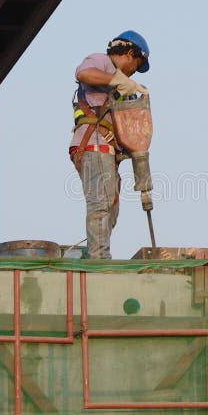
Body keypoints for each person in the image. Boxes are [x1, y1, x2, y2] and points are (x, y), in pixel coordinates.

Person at [69, 30, 150, 259]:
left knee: (111, 209)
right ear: (130, 53)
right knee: (101, 204)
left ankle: (97, 255)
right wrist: (117, 79)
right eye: (137, 63)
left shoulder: (121, 87)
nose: (134, 70)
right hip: (93, 145)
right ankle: (99, 262)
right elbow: (83, 73)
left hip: (107, 150)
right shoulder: (101, 61)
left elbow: (132, 132)